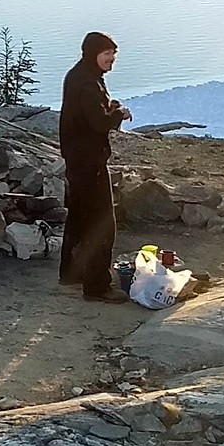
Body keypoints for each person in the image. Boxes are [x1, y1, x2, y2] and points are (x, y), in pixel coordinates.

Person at [59, 30, 132, 301]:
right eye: (106, 54)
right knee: (101, 224)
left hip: (76, 160)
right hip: (90, 163)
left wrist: (111, 107)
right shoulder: (88, 82)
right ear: (93, 54)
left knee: (79, 217)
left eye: (113, 54)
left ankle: (71, 272)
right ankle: (97, 286)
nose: (111, 59)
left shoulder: (80, 75)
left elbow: (90, 112)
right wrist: (119, 113)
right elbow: (100, 123)